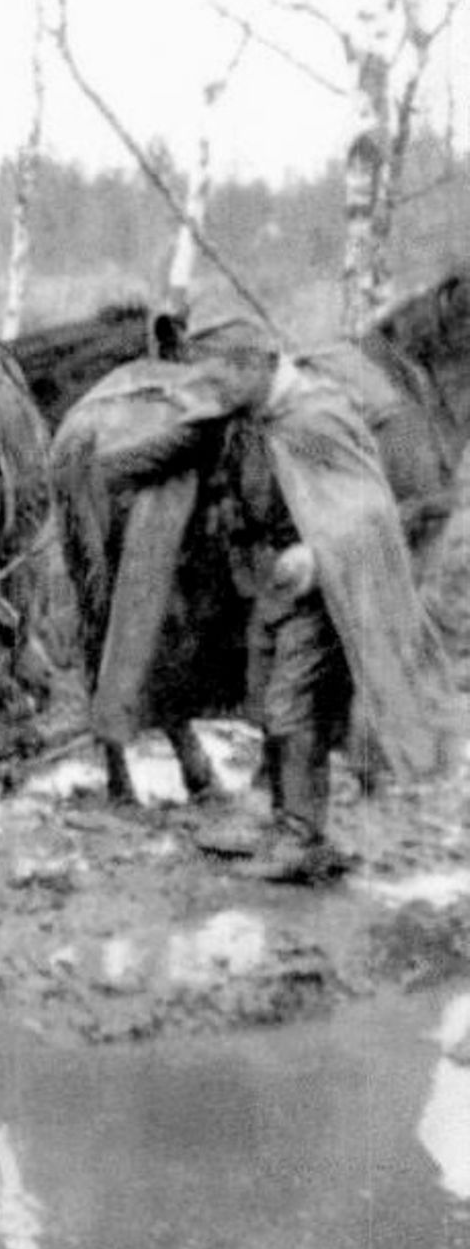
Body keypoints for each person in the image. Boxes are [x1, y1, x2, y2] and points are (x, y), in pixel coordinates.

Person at [192, 353, 463, 882]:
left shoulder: (319, 417)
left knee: (293, 707)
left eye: (225, 372)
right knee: (267, 699)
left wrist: (318, 553)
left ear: (260, 364)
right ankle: (278, 822)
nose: (215, 388)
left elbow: (370, 508)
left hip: (322, 587)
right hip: (274, 580)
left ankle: (303, 838)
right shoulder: (265, 421)